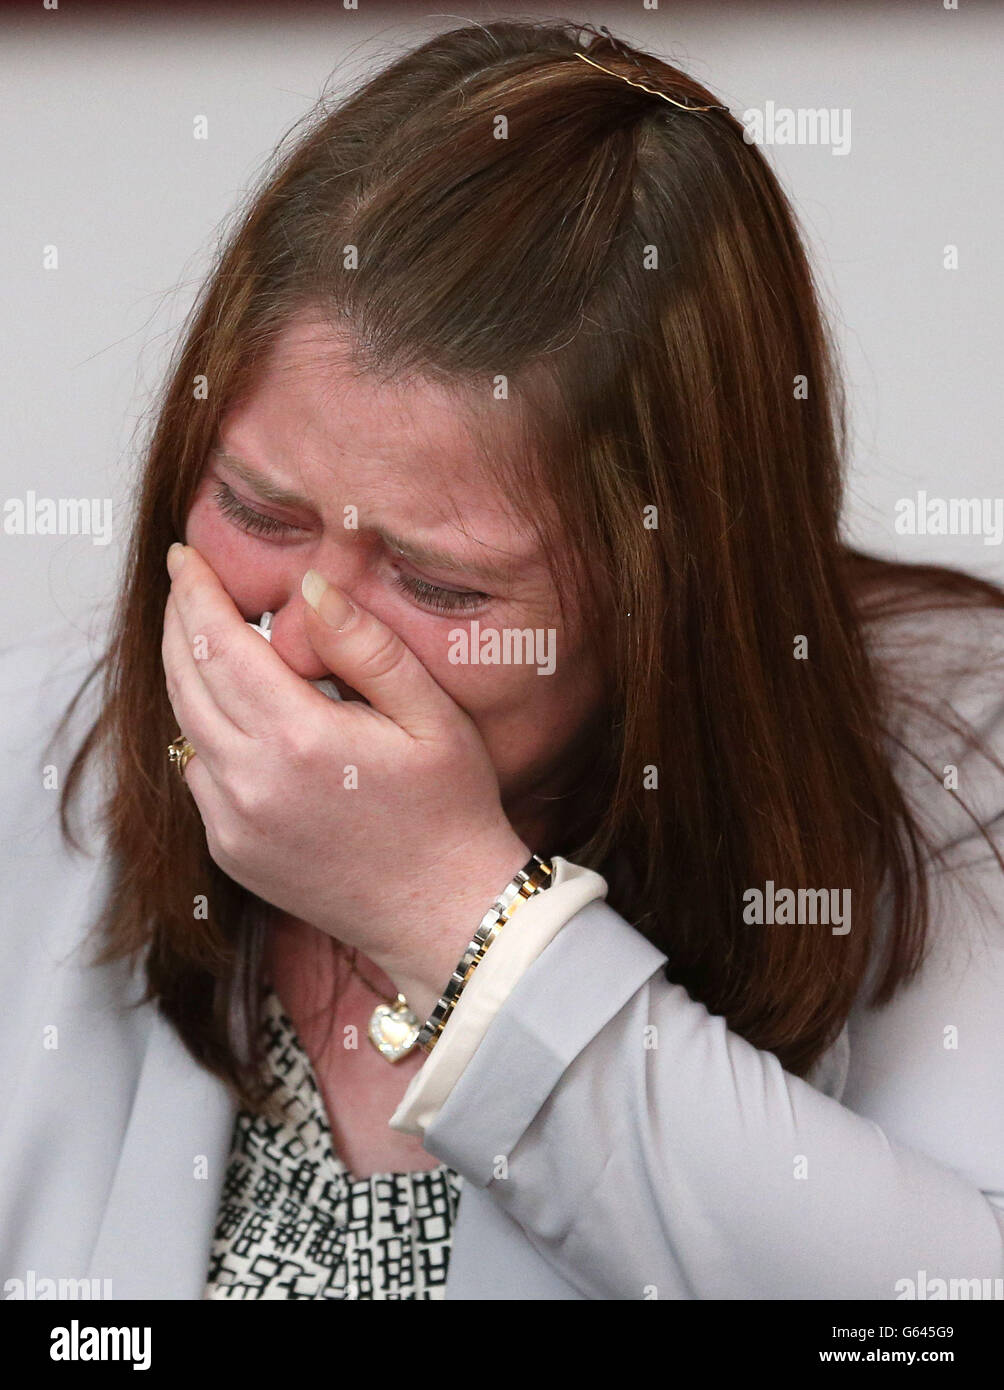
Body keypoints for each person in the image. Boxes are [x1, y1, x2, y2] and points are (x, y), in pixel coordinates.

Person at [2, 19, 1002, 1302]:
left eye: (438, 584)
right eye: (257, 512)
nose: (308, 640)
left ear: (674, 595)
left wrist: (457, 921)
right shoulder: (36, 744)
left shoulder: (955, 764)